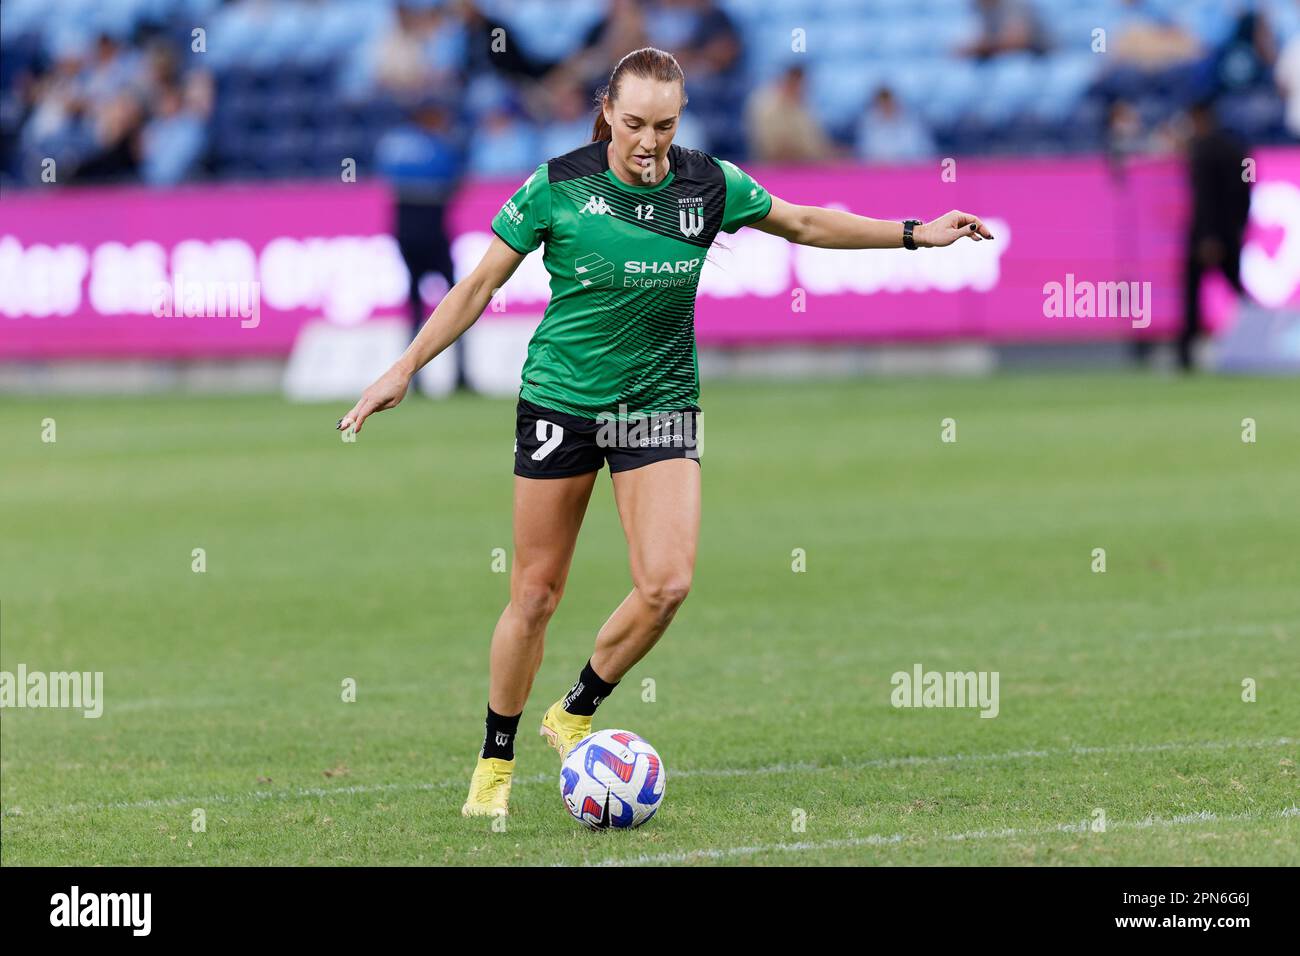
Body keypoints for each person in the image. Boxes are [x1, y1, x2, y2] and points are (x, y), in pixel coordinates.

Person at [336, 47, 994, 818]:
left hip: (659, 403)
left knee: (667, 585)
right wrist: (404, 366)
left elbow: (807, 223)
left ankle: (573, 711)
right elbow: (479, 283)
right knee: (536, 594)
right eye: (636, 123)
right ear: (608, 112)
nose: (650, 142)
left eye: (666, 125)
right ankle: (495, 762)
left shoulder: (709, 183)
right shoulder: (558, 185)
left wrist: (916, 233)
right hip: (563, 403)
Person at [1181, 99, 1251, 371]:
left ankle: (1186, 354)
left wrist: (1208, 236)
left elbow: (1205, 199)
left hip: (1206, 233)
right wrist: (1239, 225)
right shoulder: (1237, 149)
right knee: (1238, 290)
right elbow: (1246, 189)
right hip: (1231, 232)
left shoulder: (1202, 151)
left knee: (1192, 294)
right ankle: (1256, 339)